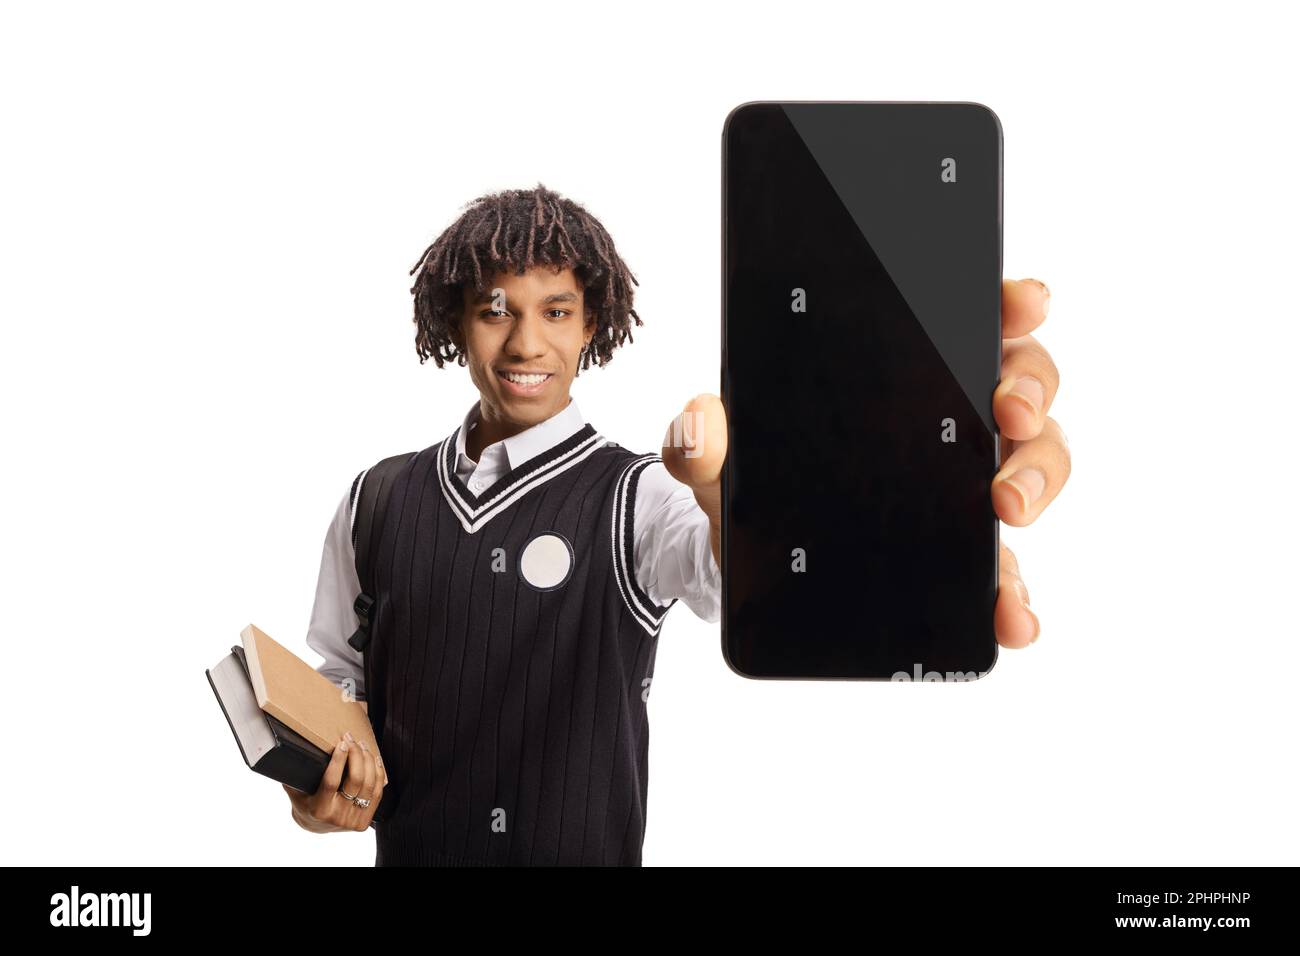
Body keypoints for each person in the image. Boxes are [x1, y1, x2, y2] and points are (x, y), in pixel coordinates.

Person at [282, 184, 1070, 865]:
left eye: (556, 312)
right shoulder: (377, 497)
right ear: (455, 319)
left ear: (592, 326)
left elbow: (734, 582)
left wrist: (805, 491)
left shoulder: (639, 496)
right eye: (496, 312)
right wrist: (315, 783)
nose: (527, 342)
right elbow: (338, 679)